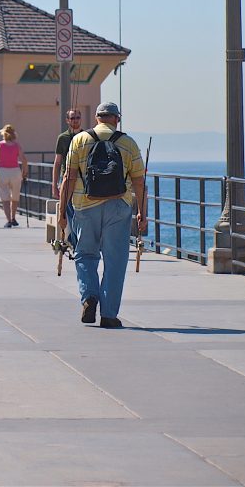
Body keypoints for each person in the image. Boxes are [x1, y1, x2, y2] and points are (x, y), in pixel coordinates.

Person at [57, 102, 147, 329]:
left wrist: (62, 213)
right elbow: (139, 182)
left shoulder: (79, 140)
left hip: (85, 205)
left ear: (97, 118)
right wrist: (142, 214)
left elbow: (68, 178)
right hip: (118, 206)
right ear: (117, 119)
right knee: (115, 260)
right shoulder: (128, 143)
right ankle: (108, 314)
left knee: (85, 254)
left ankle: (89, 296)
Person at [0, 124, 29, 228]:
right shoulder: (16, 145)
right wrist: (25, 172)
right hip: (15, 171)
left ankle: (9, 220)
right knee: (15, 196)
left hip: (2, 172)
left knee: (4, 197)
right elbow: (24, 160)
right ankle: (14, 217)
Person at [52, 109, 83, 199]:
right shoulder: (62, 138)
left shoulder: (86, 136)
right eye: (72, 118)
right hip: (66, 176)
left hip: (82, 178)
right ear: (67, 120)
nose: (75, 120)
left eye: (78, 117)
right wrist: (54, 185)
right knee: (66, 207)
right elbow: (57, 162)